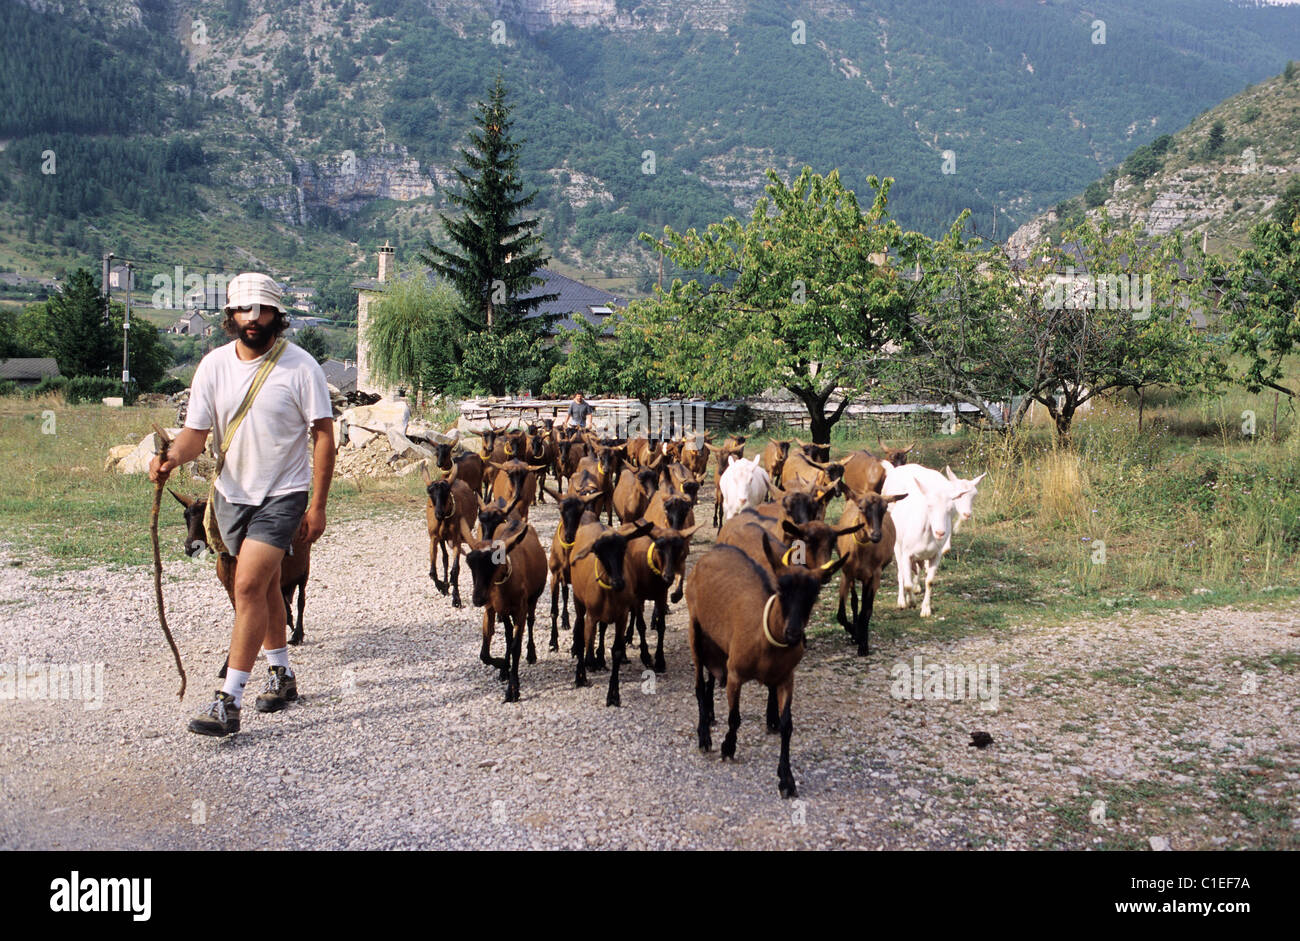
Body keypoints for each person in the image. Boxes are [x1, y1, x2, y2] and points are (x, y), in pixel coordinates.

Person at [149, 273, 335, 736]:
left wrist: (318, 505)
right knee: (265, 588)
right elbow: (196, 436)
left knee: (248, 586)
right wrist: (170, 457)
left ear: (277, 316)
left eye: (264, 310)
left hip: (282, 495)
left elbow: (324, 437)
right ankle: (282, 673)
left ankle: (228, 701)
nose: (254, 318)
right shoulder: (212, 366)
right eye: (244, 310)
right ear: (230, 315)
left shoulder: (301, 367)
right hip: (230, 495)